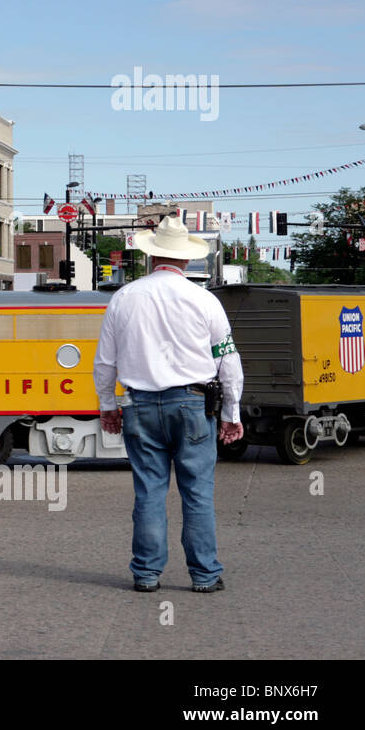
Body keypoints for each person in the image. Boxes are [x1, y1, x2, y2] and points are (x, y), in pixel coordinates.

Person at [94, 215, 244, 594]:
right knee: (197, 493)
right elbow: (228, 360)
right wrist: (231, 413)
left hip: (139, 405)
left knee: (149, 491)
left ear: (152, 256)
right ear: (186, 259)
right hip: (193, 404)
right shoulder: (204, 300)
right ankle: (205, 575)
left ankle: (146, 574)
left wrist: (107, 405)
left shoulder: (124, 298)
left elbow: (105, 362)